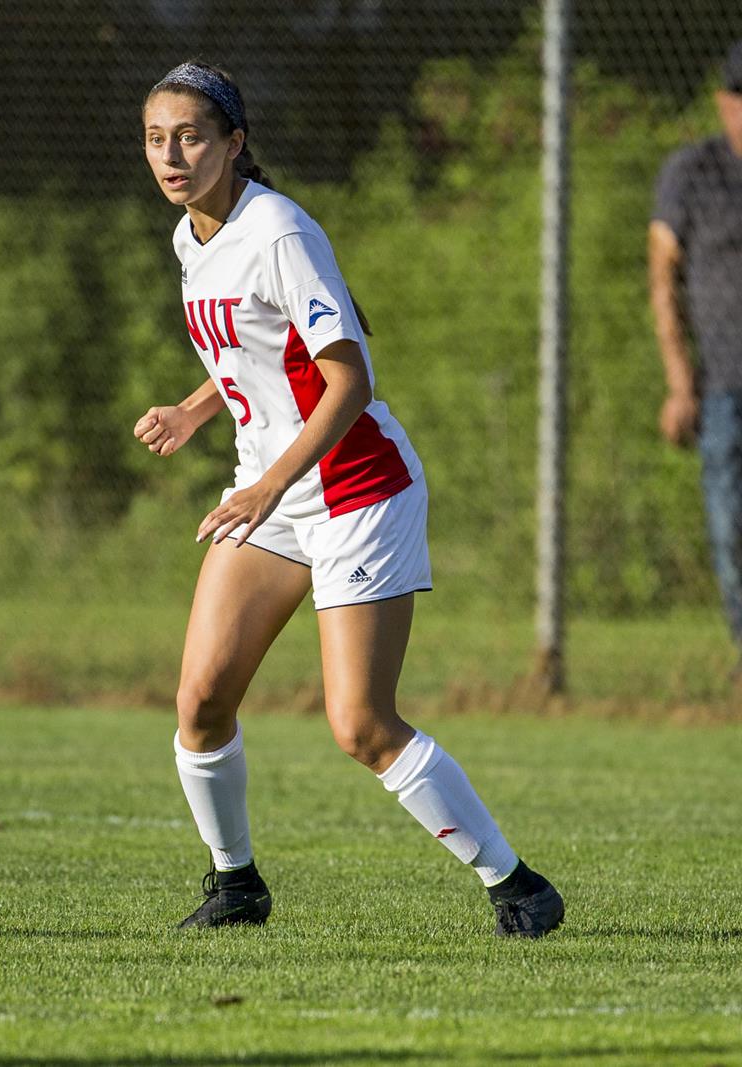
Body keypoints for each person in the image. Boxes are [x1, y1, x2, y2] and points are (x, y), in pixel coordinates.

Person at [133, 61, 562, 937]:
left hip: (356, 488)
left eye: (191, 137)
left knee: (361, 723)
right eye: (155, 139)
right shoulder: (191, 237)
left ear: (234, 144)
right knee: (202, 700)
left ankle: (517, 885)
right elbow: (260, 345)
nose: (172, 156)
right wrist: (194, 407)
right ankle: (236, 884)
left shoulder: (278, 230)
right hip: (273, 493)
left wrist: (268, 482)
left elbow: (350, 378)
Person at [649, 41, 742, 678]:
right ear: (722, 102)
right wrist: (681, 386)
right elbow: (663, 280)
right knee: (731, 529)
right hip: (723, 389)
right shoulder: (694, 172)